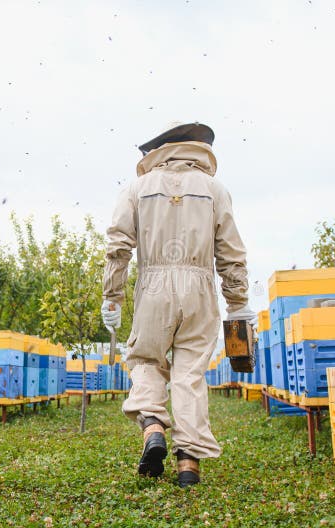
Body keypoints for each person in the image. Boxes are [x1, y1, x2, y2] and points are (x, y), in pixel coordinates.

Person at [101, 121, 254, 488]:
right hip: (200, 289)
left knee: (146, 361)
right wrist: (238, 302)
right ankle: (189, 464)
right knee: (190, 375)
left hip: (153, 286)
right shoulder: (215, 189)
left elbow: (118, 247)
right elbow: (232, 254)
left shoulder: (136, 188)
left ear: (159, 148)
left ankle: (152, 426)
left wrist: (112, 296)